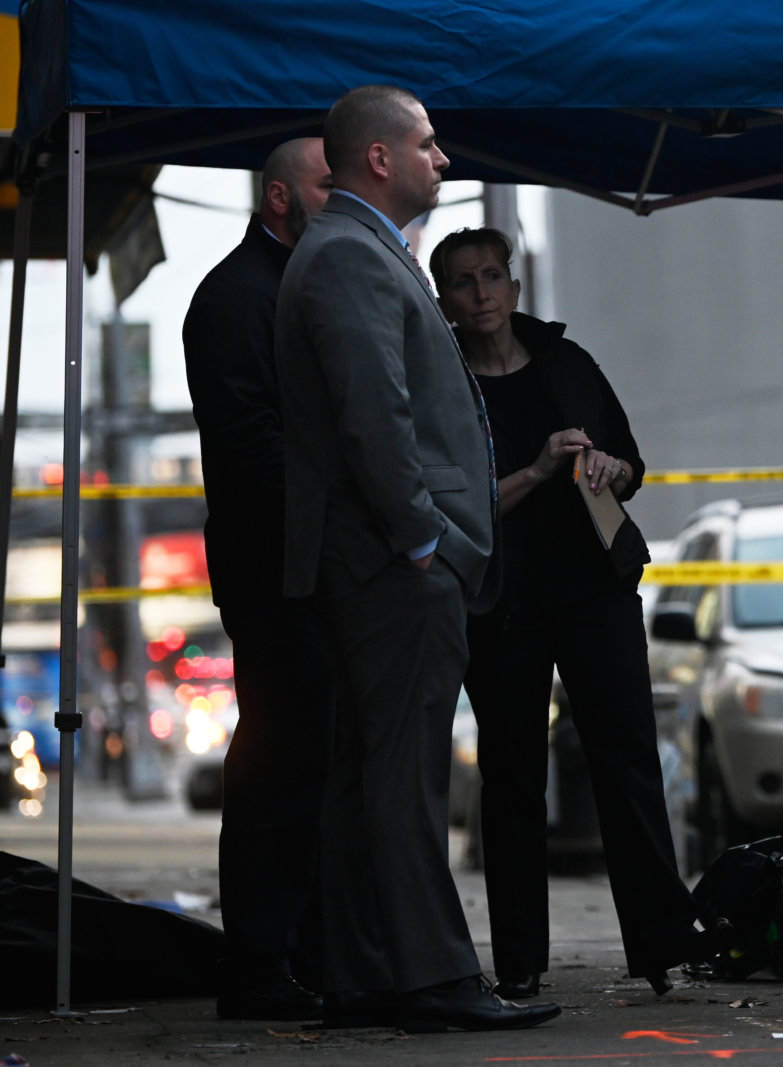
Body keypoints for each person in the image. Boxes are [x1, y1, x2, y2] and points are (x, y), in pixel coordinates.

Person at [274, 86, 557, 1033]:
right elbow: (376, 418)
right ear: (380, 160)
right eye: (428, 145)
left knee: (369, 774)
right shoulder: (350, 258)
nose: (445, 159)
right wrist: (424, 539)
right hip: (393, 563)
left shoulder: (354, 253)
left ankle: (365, 975)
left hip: (382, 558)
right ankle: (434, 978)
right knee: (404, 775)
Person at [428, 226, 732, 998]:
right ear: (446, 301)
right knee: (512, 774)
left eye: (494, 275)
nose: (483, 292)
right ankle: (521, 959)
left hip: (592, 590)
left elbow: (632, 463)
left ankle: (663, 939)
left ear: (516, 287)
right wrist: (535, 470)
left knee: (626, 759)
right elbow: (453, 507)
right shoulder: (442, 383)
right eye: (464, 282)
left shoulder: (568, 363)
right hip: (501, 604)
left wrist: (606, 465)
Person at [182, 137, 335, 1021]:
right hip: (277, 571)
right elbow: (252, 448)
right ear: (281, 196)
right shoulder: (240, 296)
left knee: (302, 764)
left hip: (300, 564)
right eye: (326, 181)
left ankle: (295, 955)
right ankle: (264, 964)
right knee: (280, 767)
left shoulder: (282, 284)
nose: (342, 193)